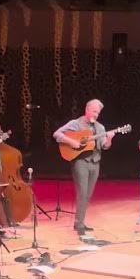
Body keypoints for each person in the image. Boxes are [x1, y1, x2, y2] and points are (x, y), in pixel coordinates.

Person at [54, 99, 117, 236]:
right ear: (87, 110)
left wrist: (109, 138)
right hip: (80, 161)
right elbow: (57, 134)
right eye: (94, 111)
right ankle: (79, 224)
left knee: (88, 194)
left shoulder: (100, 127)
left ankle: (80, 221)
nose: (96, 114)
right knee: (82, 192)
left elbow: (105, 146)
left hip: (95, 162)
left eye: (98, 112)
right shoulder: (76, 123)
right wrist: (71, 141)